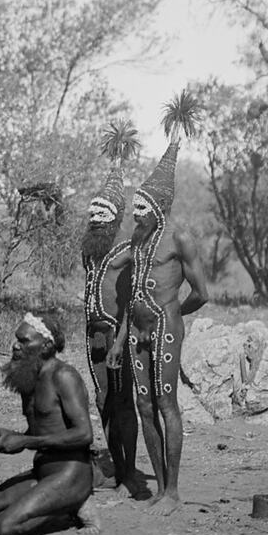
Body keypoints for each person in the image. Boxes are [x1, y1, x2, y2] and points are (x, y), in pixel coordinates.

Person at [108, 98, 209, 514]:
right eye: (134, 208)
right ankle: (159, 487)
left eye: (142, 209)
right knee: (143, 404)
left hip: (165, 328)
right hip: (135, 332)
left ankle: (173, 492)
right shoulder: (136, 242)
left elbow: (202, 292)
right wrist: (118, 339)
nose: (135, 214)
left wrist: (173, 315)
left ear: (159, 209)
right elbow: (128, 292)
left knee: (167, 404)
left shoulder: (178, 239)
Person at [0, 312, 101, 535]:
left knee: (4, 526)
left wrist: (25, 441)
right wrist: (11, 436)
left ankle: (70, 509)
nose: (15, 346)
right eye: (17, 339)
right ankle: (51, 501)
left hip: (71, 474)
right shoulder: (30, 376)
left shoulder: (64, 376)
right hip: (42, 470)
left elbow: (84, 434)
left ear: (45, 346)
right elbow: (44, 431)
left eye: (24, 341)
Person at [80, 125, 151, 501]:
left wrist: (122, 338)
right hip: (92, 333)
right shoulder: (89, 248)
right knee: (101, 398)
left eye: (105, 216)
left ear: (117, 218)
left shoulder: (125, 249)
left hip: (116, 335)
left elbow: (132, 292)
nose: (97, 220)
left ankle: (129, 473)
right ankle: (116, 468)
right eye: (94, 214)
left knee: (123, 403)